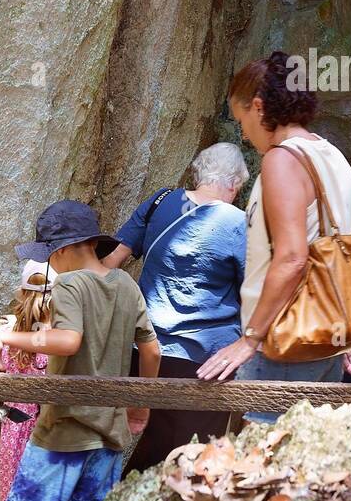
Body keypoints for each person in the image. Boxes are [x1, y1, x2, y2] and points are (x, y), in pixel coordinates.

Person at [196, 52, 351, 422]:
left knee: (259, 454)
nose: (243, 132)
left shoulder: (282, 159)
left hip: (284, 337)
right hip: (326, 339)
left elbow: (291, 257)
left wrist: (250, 339)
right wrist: (347, 327)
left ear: (258, 107)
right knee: (306, 448)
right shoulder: (334, 156)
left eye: (242, 119)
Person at [0, 200, 161, 501]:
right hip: (109, 436)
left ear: (62, 249)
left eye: (48, 254)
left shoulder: (69, 283)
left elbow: (67, 340)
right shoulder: (127, 285)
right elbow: (152, 351)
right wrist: (140, 407)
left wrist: (4, 335)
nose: (49, 263)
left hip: (63, 432)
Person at [100, 142, 249, 472]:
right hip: (204, 361)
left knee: (149, 443)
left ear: (199, 172)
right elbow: (251, 290)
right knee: (188, 456)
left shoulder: (160, 201)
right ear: (236, 183)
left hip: (142, 350)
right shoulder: (239, 222)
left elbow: (111, 263)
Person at [0, 261, 53, 501]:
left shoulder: (11, 331)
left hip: (13, 427)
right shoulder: (56, 338)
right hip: (45, 429)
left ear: (22, 293)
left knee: (12, 493)